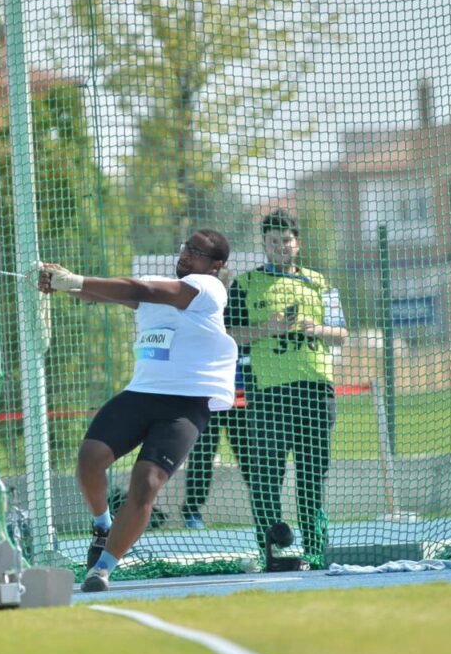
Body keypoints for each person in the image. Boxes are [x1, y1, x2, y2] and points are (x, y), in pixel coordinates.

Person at [36, 229, 237, 592]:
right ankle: (102, 526)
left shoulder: (207, 289)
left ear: (216, 265)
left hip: (185, 404)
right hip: (141, 394)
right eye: (185, 248)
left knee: (145, 483)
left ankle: (102, 569)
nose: (186, 255)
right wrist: (65, 284)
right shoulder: (163, 291)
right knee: (89, 460)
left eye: (196, 252)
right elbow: (123, 294)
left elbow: (140, 289)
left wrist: (77, 280)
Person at [226, 210, 348, 568]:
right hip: (269, 393)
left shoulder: (319, 283)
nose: (280, 246)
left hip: (316, 390)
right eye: (272, 241)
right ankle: (272, 549)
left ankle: (315, 548)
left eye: (286, 240)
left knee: (313, 472)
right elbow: (230, 335)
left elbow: (341, 333)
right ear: (264, 244)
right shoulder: (246, 284)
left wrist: (314, 329)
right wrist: (268, 329)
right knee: (267, 472)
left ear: (298, 243)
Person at [179, 351, 251, 530]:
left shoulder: (248, 325)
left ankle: (265, 509)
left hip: (242, 402)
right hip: (210, 400)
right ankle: (192, 511)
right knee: (202, 455)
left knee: (250, 457)